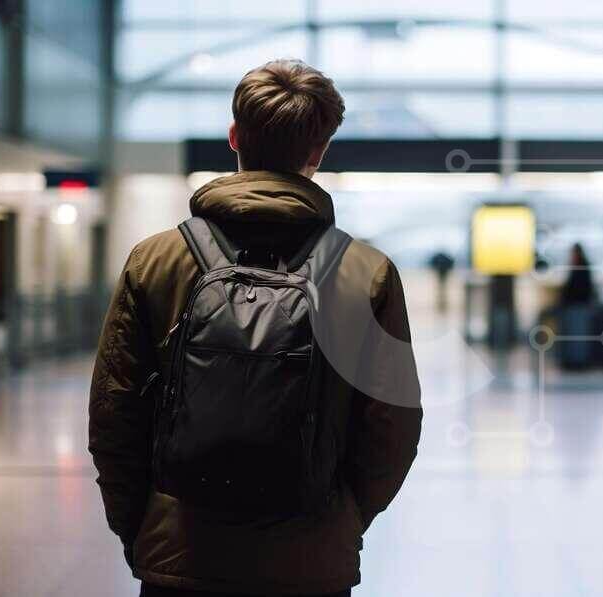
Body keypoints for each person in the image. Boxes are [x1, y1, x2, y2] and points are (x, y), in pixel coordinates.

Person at [89, 60, 422, 597]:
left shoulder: (155, 260)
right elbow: (393, 427)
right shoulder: (366, 274)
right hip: (310, 562)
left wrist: (141, 526)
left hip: (181, 552)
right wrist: (340, 519)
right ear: (319, 152)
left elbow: (114, 414)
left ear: (234, 137)